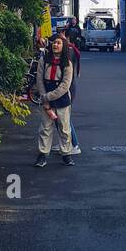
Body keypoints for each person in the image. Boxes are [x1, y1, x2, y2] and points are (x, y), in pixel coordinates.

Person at [34, 32, 75, 167]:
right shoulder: (44, 60)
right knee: (45, 128)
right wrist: (44, 97)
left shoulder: (67, 62)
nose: (55, 45)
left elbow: (65, 85)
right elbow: (39, 80)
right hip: (47, 97)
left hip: (62, 99)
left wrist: (47, 96)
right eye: (54, 43)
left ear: (63, 46)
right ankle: (42, 154)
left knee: (64, 128)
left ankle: (66, 154)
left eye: (58, 43)